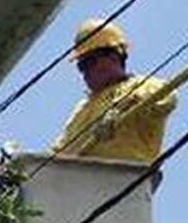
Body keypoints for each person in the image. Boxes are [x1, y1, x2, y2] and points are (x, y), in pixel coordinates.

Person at [52, 18, 177, 163]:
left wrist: (122, 108)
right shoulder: (83, 108)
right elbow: (59, 151)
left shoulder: (144, 85)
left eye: (90, 62)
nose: (86, 71)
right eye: (81, 66)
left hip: (125, 176)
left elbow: (167, 98)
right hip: (84, 180)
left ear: (113, 57)